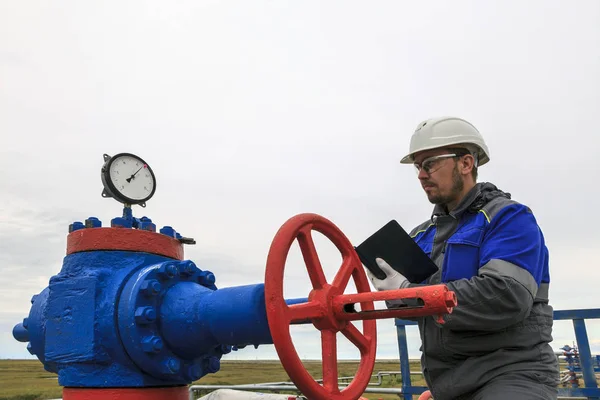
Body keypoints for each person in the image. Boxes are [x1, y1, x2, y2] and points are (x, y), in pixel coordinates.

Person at [367, 116, 559, 400]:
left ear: (466, 164)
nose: (421, 174)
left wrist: (407, 291)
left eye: (430, 163)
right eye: (418, 166)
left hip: (512, 374)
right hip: (448, 382)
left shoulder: (508, 219)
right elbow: (405, 304)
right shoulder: (420, 235)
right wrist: (396, 291)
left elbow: (505, 295)